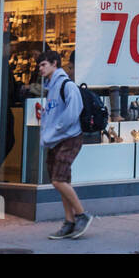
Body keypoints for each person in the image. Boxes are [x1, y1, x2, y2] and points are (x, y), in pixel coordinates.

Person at [37, 49, 91, 239]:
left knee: (58, 180)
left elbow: (72, 112)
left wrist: (55, 130)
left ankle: (81, 214)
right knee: (62, 181)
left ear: (55, 63)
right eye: (39, 65)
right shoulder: (51, 87)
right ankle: (69, 222)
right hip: (56, 139)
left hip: (69, 137)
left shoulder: (66, 85)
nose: (40, 68)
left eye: (44, 64)